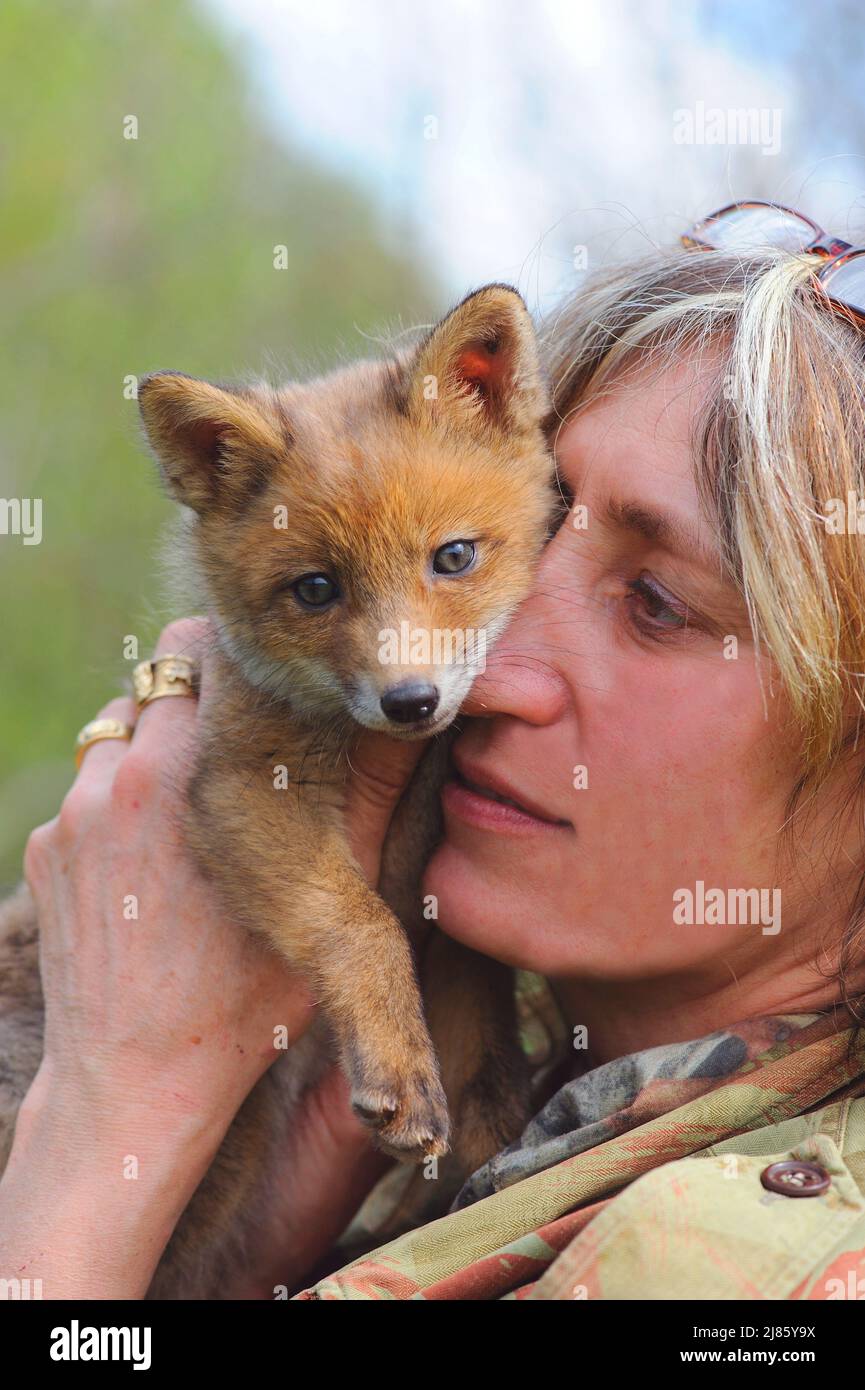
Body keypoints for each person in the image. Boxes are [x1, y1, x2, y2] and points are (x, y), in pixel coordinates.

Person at [4, 202, 865, 1301]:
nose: (479, 678)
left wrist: (100, 1133)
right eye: (549, 536)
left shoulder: (719, 1271)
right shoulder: (510, 1148)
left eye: (654, 602)